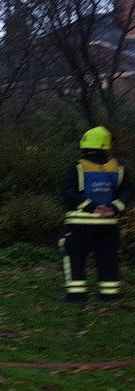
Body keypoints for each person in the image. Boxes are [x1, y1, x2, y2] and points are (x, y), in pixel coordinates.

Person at [59, 126, 131, 302]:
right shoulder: (119, 169)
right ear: (107, 146)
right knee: (108, 257)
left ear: (84, 146)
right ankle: (109, 294)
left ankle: (76, 294)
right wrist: (114, 208)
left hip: (80, 225)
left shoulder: (77, 168)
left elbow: (69, 192)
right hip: (109, 225)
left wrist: (91, 207)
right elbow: (128, 193)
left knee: (74, 255)